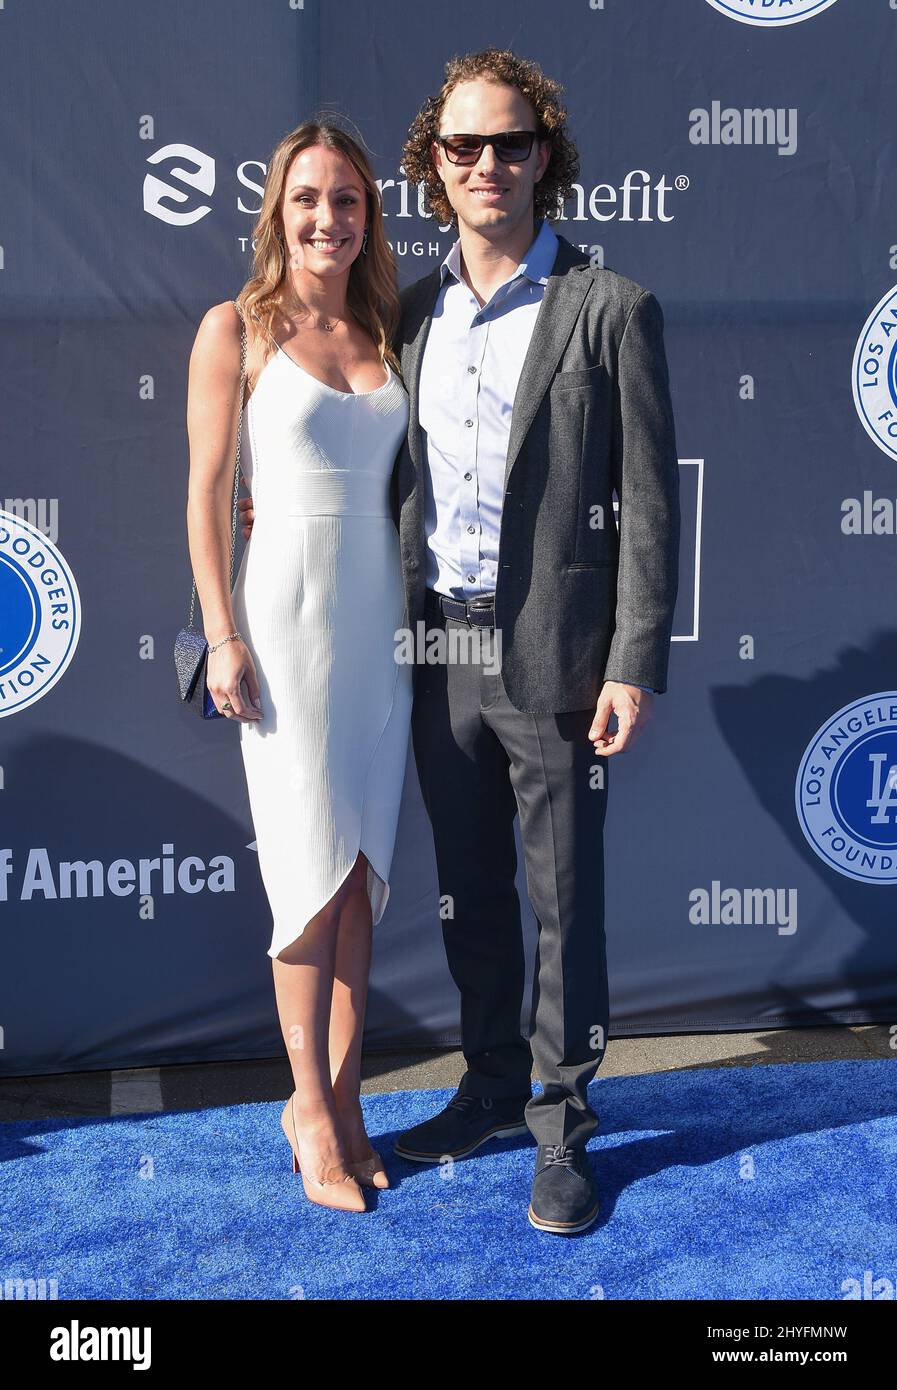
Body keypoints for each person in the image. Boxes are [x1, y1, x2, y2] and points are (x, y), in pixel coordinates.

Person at [240, 47, 681, 1236]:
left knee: (562, 899)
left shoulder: (612, 309)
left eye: (513, 144)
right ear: (435, 168)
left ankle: (564, 1122)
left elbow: (649, 499)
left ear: (547, 157)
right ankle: (489, 1085)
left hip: (560, 657)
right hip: (428, 653)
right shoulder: (412, 314)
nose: (490, 165)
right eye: (464, 147)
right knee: (470, 893)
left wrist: (635, 659)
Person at [185, 121, 412, 1213]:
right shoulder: (238, 328)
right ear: (277, 207)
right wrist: (221, 633)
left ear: (371, 215)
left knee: (362, 877)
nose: (329, 219)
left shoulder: (385, 325)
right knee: (305, 884)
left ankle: (351, 1099)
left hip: (381, 631)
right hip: (285, 629)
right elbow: (203, 495)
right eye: (309, 198)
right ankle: (306, 1111)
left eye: (350, 201)